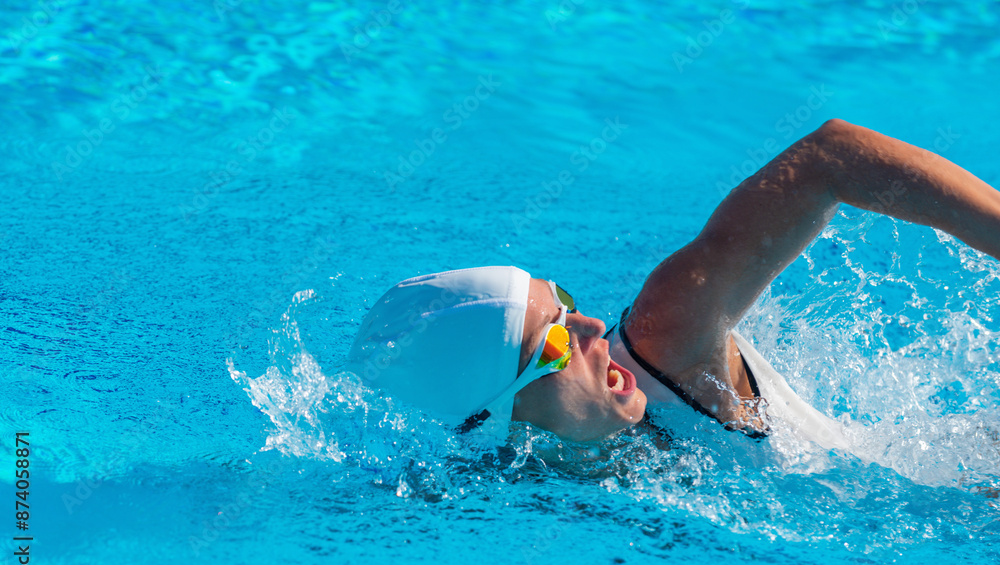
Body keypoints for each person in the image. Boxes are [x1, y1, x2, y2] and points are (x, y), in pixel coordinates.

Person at [348, 119, 1000, 452]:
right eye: (553, 344)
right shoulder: (502, 482)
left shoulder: (668, 337)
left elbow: (831, 157)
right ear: (497, 420)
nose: (592, 329)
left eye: (566, 306)